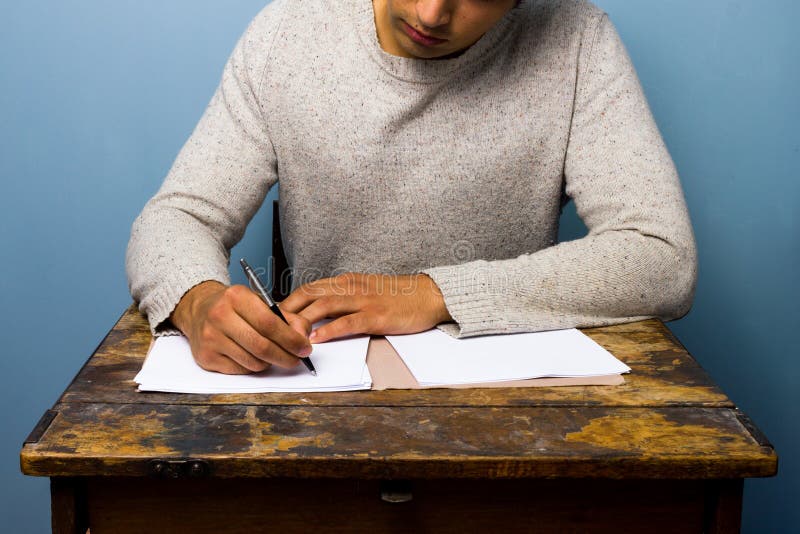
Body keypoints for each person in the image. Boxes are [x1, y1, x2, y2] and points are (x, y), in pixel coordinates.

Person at [126, 0, 697, 375]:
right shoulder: (288, 31)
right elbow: (179, 216)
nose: (431, 12)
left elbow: (661, 257)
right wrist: (196, 301)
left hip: (511, 406)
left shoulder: (578, 40)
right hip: (324, 391)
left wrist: (431, 294)